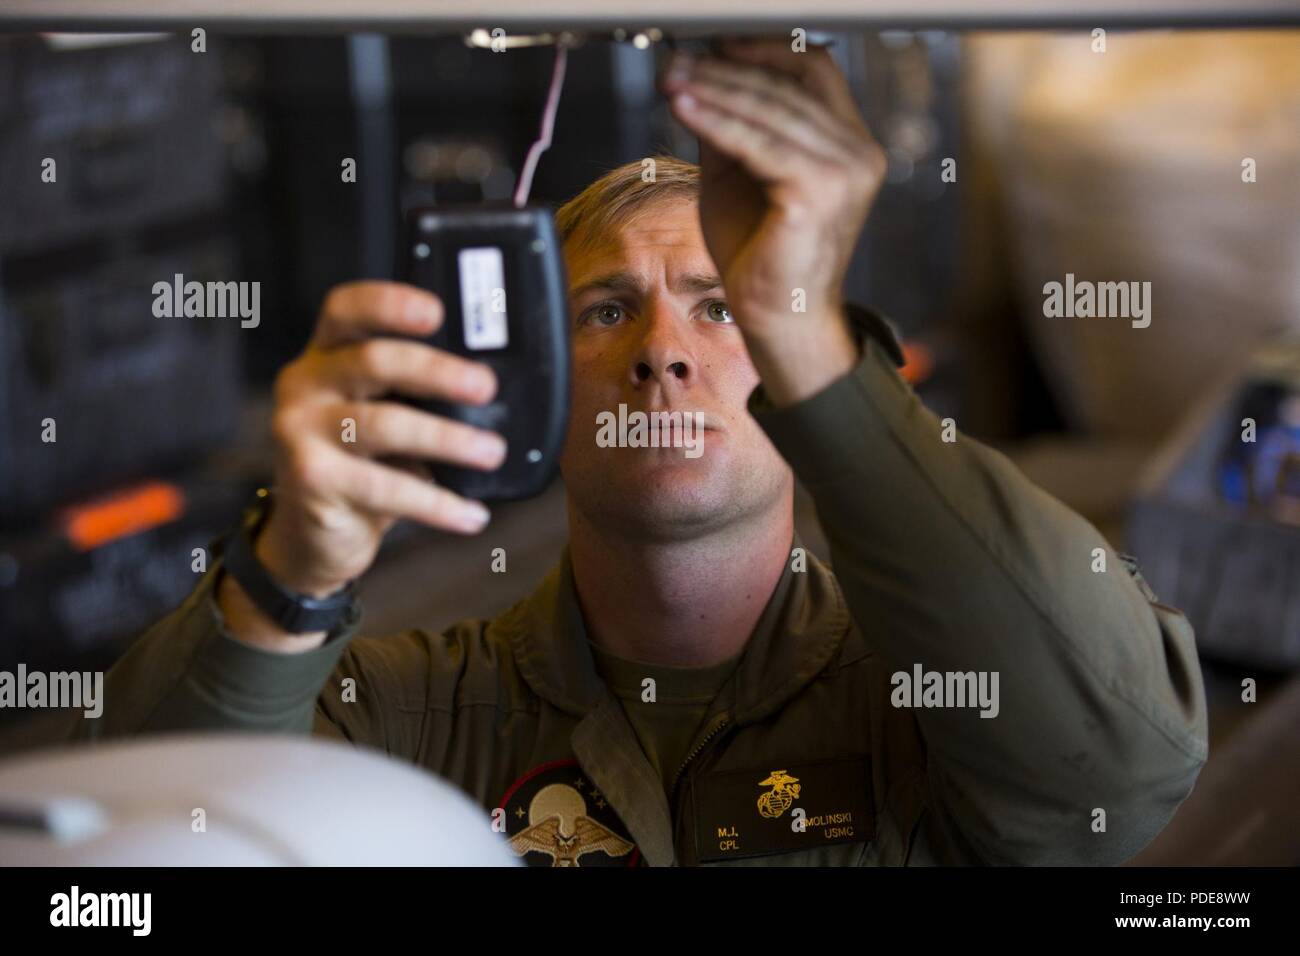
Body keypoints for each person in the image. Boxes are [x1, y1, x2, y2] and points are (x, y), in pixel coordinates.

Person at [69, 38, 1206, 866]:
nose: (663, 350)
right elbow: (130, 866)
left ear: (798, 369)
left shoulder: (929, 702)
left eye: (722, 309)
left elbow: (1117, 771)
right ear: (537, 389)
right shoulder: (401, 714)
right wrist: (286, 576)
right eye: (606, 309)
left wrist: (811, 332)